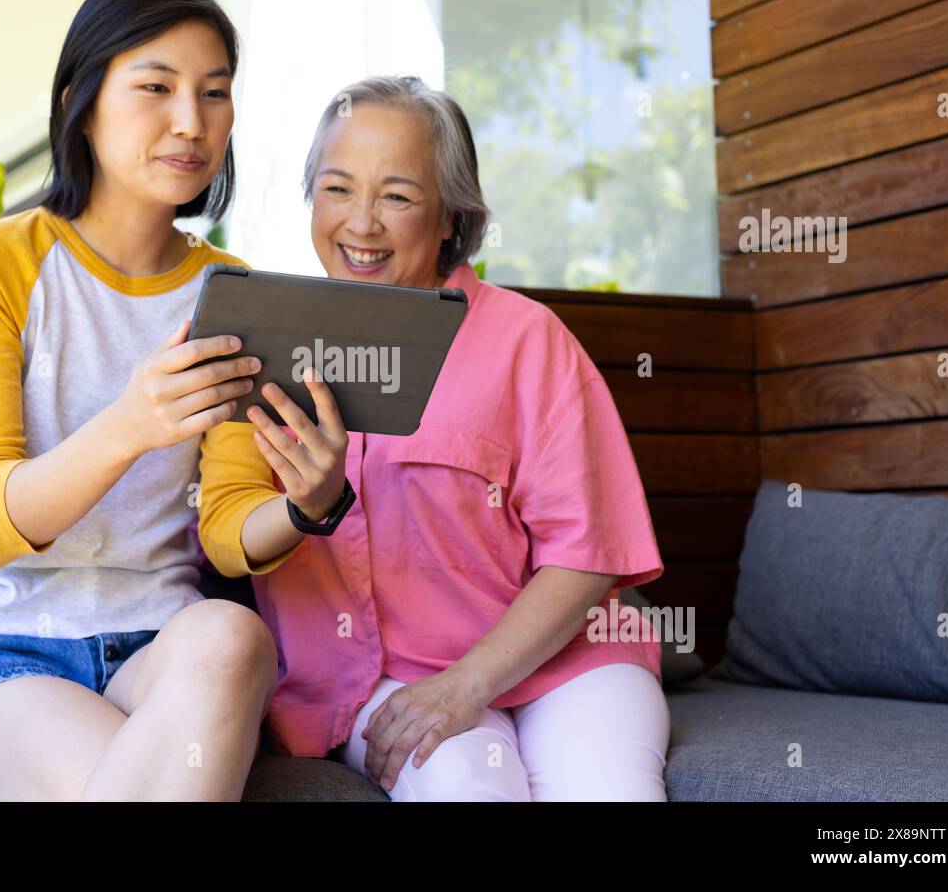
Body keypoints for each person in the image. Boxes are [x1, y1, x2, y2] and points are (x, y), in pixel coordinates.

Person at [0, 0, 336, 801]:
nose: (190, 122)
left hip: (158, 650)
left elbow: (228, 528)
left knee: (236, 633)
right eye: (155, 88)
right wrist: (130, 424)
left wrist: (310, 503)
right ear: (80, 102)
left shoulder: (233, 289)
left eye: (214, 94)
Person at [198, 75, 671, 801]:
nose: (361, 223)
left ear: (450, 214)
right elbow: (225, 527)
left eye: (396, 195)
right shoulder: (265, 344)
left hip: (565, 664)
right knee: (465, 785)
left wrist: (467, 684)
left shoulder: (526, 339)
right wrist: (304, 505)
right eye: (336, 189)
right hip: (375, 679)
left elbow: (588, 553)